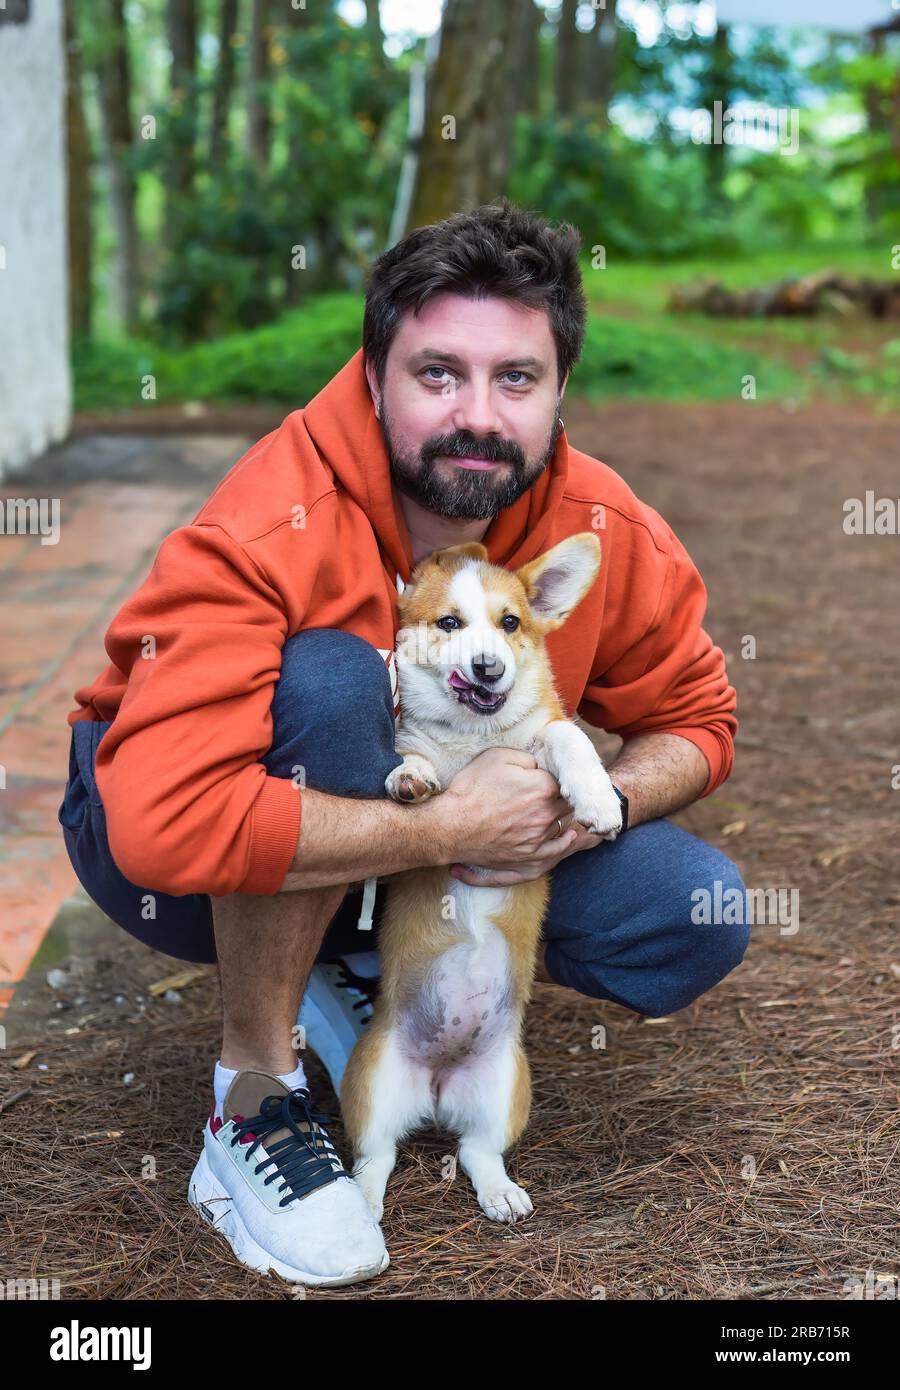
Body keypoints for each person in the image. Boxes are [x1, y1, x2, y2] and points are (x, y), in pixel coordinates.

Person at [58, 200, 747, 1288]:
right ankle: (253, 1096)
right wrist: (445, 830)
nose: (477, 414)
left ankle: (349, 962)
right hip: (159, 843)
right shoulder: (268, 518)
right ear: (375, 378)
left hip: (431, 857)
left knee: (690, 909)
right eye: (438, 374)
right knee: (332, 679)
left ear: (561, 389)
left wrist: (581, 811)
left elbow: (701, 721)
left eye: (515, 378)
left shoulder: (598, 525)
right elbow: (164, 824)